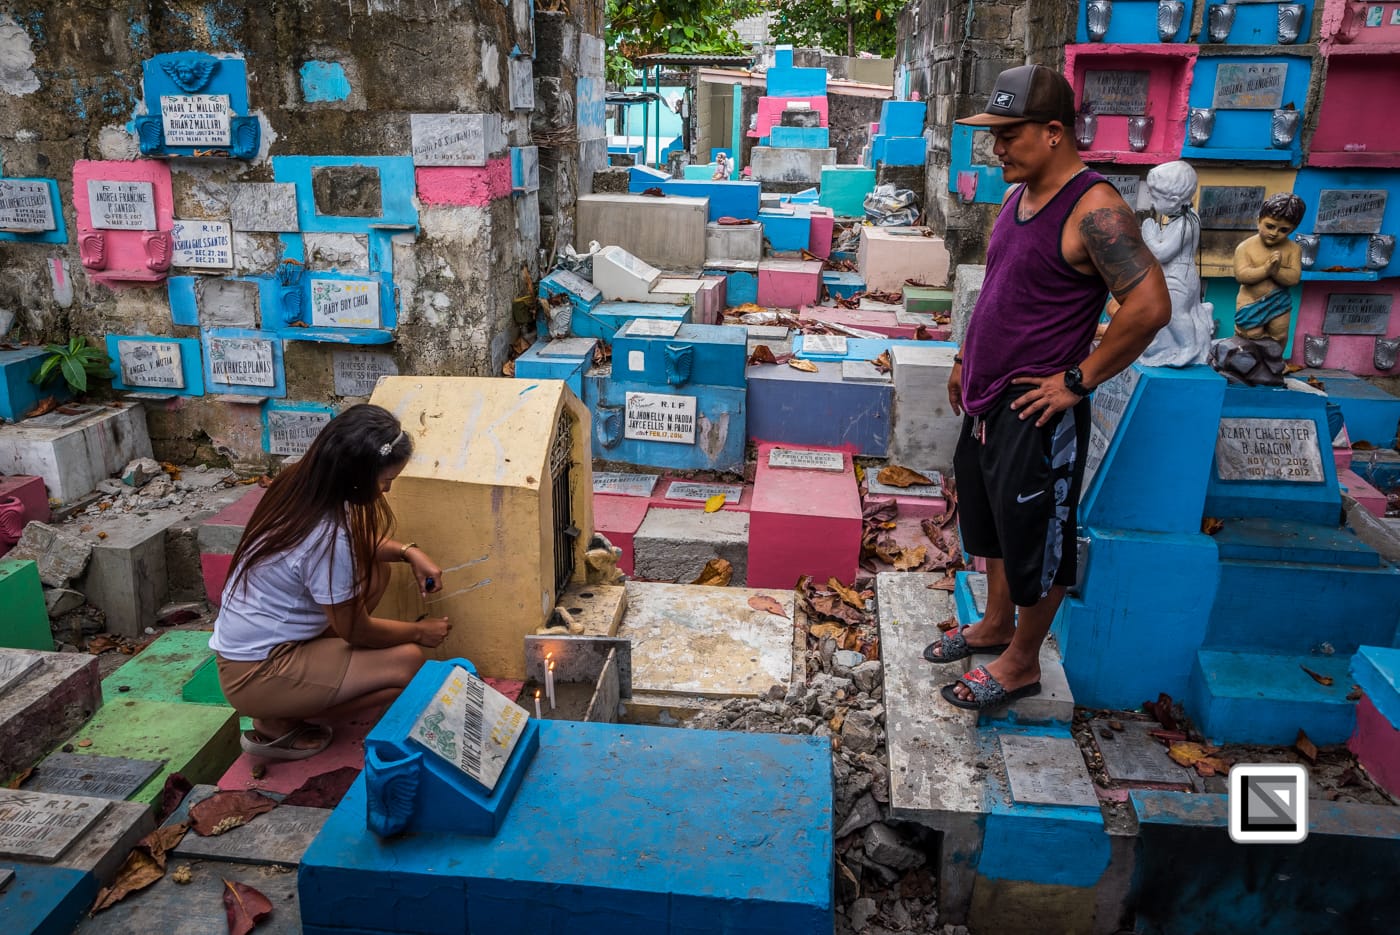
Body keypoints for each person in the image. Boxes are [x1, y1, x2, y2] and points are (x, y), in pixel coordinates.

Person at [926, 64, 1170, 711]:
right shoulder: (1018, 196)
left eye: (1010, 133)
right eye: (994, 134)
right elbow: (1002, 287)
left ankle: (1021, 661)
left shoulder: (1096, 210)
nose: (997, 147)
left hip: (1038, 406)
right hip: (987, 396)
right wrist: (962, 357)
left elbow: (1149, 306)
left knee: (1039, 536)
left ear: (1055, 131)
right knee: (995, 522)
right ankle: (996, 623)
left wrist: (1076, 381)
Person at [211, 404, 452, 759]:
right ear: (355, 474)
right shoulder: (327, 537)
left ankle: (307, 690)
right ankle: (278, 721)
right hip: (257, 673)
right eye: (385, 481)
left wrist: (407, 552)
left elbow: (356, 544)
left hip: (260, 649)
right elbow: (356, 630)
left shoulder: (301, 483)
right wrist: (419, 632)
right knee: (409, 663)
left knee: (375, 570)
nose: (385, 491)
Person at [1137, 161, 1214, 367]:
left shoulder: (1186, 223)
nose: (1152, 203)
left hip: (1178, 278)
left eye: (1155, 198)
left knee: (1174, 314)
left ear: (1173, 200)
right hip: (1173, 276)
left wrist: (1149, 234)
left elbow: (1161, 253)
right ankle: (1164, 346)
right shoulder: (1177, 218)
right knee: (1164, 312)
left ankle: (1188, 348)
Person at [1232, 192, 1304, 345]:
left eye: (1284, 230)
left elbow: (1294, 278)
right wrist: (1266, 269)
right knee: (1250, 333)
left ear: (1293, 229)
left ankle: (1274, 364)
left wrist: (1277, 270)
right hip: (1250, 301)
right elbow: (1242, 275)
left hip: (1279, 301)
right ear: (1259, 220)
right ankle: (1245, 364)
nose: (1274, 233)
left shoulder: (1293, 249)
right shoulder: (1245, 247)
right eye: (1270, 226)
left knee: (1279, 334)